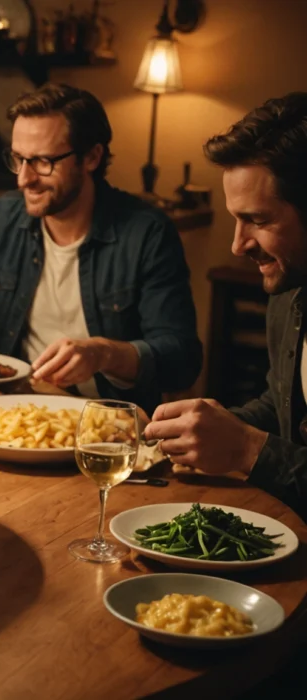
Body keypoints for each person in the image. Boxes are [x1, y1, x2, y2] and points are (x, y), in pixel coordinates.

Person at [0, 83, 201, 413]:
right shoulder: (3, 218)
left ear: (92, 157)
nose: (24, 179)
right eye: (18, 159)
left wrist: (104, 353)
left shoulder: (147, 233)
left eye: (43, 161)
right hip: (17, 416)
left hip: (110, 427)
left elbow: (182, 359)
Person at [146, 94, 307, 517]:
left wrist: (245, 447)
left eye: (258, 220)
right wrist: (211, 428)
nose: (238, 245)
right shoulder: (290, 289)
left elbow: (257, 445)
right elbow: (281, 405)